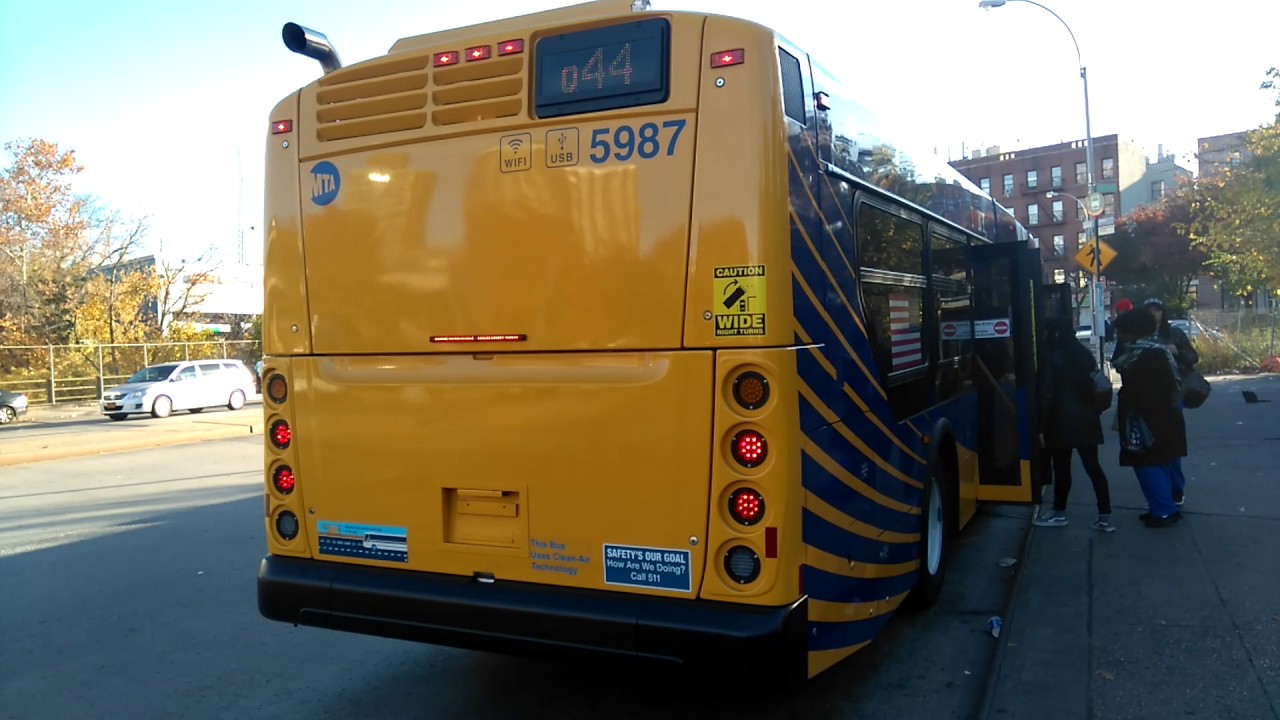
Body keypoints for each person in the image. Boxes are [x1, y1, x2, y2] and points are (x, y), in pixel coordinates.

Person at [1033, 317, 1115, 531]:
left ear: (1053, 334)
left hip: (1060, 421)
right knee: (1093, 467)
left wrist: (1041, 427)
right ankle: (1105, 515)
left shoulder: (1050, 357)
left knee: (1062, 468)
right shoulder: (1083, 354)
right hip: (1087, 419)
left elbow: (1046, 395)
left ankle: (1059, 512)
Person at [1112, 309, 1186, 527]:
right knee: (1159, 461)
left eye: (1122, 331)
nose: (1119, 336)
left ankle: (1163, 511)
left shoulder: (1145, 355)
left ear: (1132, 331)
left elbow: (1149, 390)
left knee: (1148, 464)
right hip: (1161, 417)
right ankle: (1163, 507)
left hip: (1147, 419)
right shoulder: (1155, 350)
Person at [1144, 298, 1197, 506]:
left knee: (1172, 441)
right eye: (1150, 310)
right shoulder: (1140, 335)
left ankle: (1176, 488)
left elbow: (1193, 357)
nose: (1154, 314)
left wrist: (1178, 352)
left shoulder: (1174, 333)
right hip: (1149, 394)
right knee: (1153, 444)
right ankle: (1163, 490)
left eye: (1157, 310)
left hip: (1174, 393)